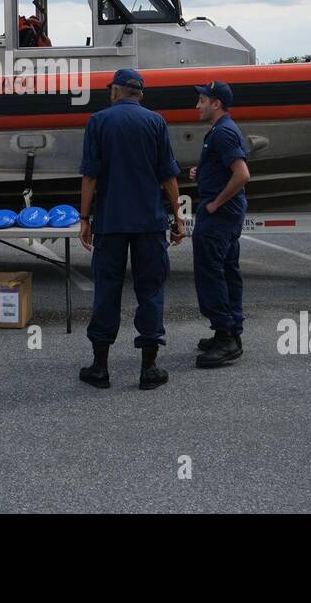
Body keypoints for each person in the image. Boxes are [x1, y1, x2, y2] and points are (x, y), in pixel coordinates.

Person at [78, 69, 184, 391]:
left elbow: (90, 177)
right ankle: (148, 369)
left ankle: (100, 368)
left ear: (116, 91)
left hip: (110, 222)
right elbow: (168, 176)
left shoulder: (98, 122)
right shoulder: (156, 122)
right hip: (149, 224)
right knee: (150, 291)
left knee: (106, 291)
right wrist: (178, 217)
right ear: (139, 93)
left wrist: (85, 218)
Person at [190, 80, 250, 368]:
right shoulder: (220, 130)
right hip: (225, 212)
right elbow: (226, 169)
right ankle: (227, 331)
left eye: (202, 100)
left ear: (216, 103)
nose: (197, 105)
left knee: (210, 272)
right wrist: (202, 172)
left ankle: (226, 337)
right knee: (226, 270)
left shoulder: (223, 132)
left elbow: (241, 174)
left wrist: (215, 203)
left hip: (219, 214)